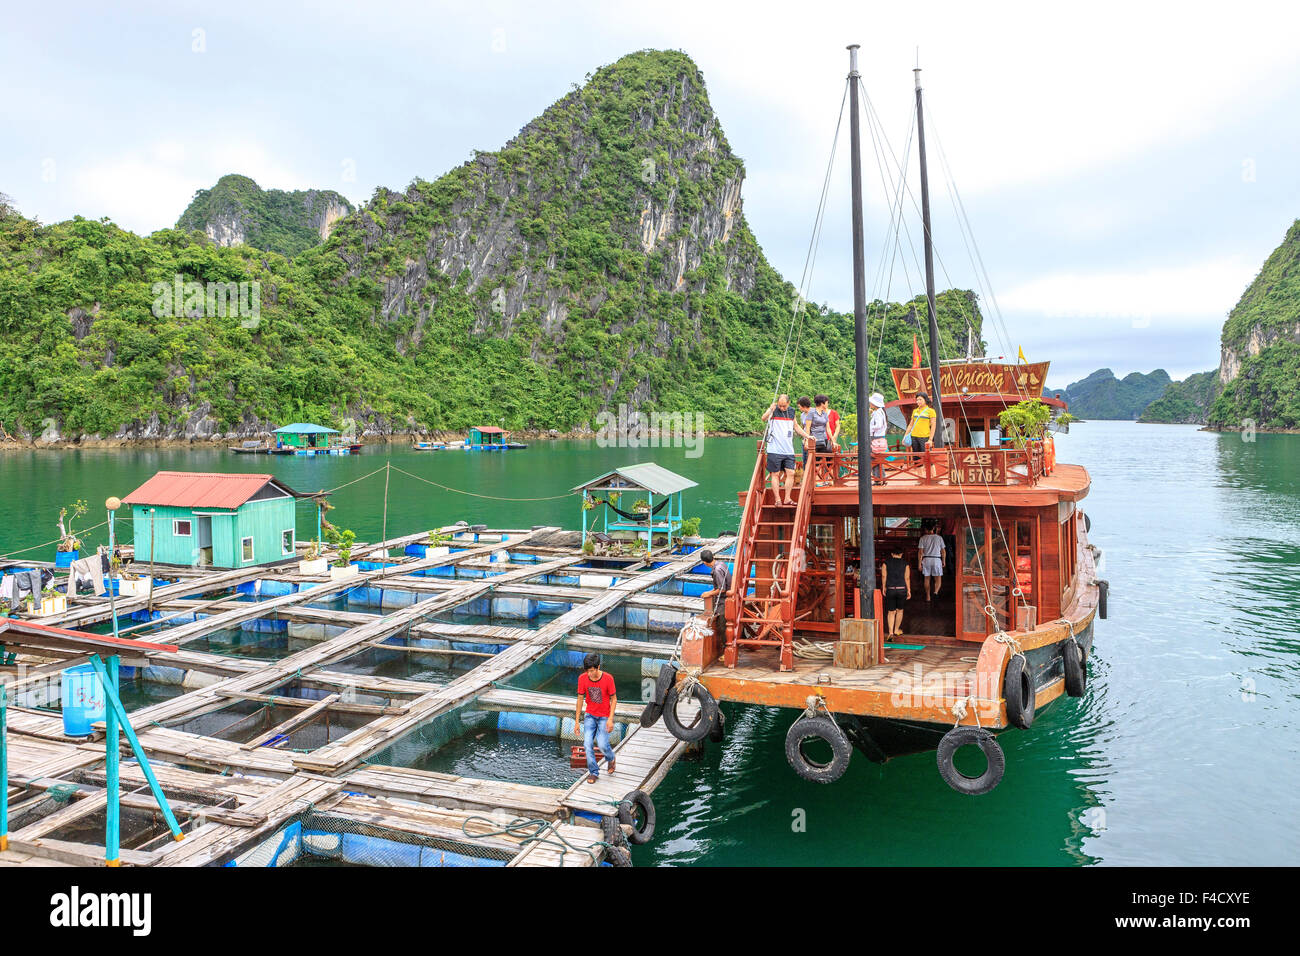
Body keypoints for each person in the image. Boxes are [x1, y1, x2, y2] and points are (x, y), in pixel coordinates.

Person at [761, 394, 811, 506]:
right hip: (774, 449)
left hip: (788, 450)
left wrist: (807, 436)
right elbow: (763, 418)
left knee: (791, 473)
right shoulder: (773, 410)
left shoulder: (792, 411)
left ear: (788, 404)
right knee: (775, 474)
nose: (782, 408)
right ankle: (777, 499)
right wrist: (770, 409)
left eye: (784, 406)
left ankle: (787, 498)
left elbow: (796, 427)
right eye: (780, 405)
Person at [575, 652, 617, 783]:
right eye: (587, 671)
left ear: (598, 667)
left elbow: (614, 699)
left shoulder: (608, 678)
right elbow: (580, 699)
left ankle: (611, 759)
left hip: (604, 716)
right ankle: (593, 772)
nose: (589, 674)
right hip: (590, 716)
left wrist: (610, 719)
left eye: (592, 671)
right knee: (587, 744)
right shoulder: (582, 678)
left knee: (603, 744)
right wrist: (577, 721)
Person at [698, 548, 732, 639]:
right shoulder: (721, 564)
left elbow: (722, 589)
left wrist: (709, 594)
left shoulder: (717, 570)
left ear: (704, 562)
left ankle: (725, 647)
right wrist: (710, 592)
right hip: (729, 595)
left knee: (722, 625)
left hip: (724, 600)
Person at [880, 546, 911, 638]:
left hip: (891, 589)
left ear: (892, 554)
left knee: (891, 611)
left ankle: (890, 633)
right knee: (900, 611)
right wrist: (909, 590)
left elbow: (883, 576)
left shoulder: (886, 563)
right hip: (902, 589)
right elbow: (907, 578)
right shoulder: (905, 564)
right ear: (901, 554)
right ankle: (896, 629)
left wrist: (884, 587)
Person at [800, 395, 833, 467]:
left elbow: (828, 428)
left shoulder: (824, 413)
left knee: (827, 461)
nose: (827, 404)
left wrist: (833, 441)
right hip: (813, 440)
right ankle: (811, 477)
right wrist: (806, 441)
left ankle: (825, 477)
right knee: (812, 462)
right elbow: (807, 428)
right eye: (827, 402)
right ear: (822, 403)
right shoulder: (811, 412)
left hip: (823, 440)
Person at [918, 520, 946, 601]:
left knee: (927, 579)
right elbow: (943, 551)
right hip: (936, 559)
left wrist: (919, 564)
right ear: (934, 528)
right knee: (938, 579)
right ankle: (935, 592)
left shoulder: (922, 538)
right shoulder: (939, 538)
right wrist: (944, 561)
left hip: (926, 559)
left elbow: (920, 552)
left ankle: (928, 596)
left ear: (926, 529)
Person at [869, 392, 888, 482]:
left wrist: (869, 429)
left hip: (875, 437)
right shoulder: (880, 411)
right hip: (879, 437)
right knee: (877, 458)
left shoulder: (878, 412)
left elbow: (878, 425)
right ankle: (880, 477)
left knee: (874, 458)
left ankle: (878, 478)